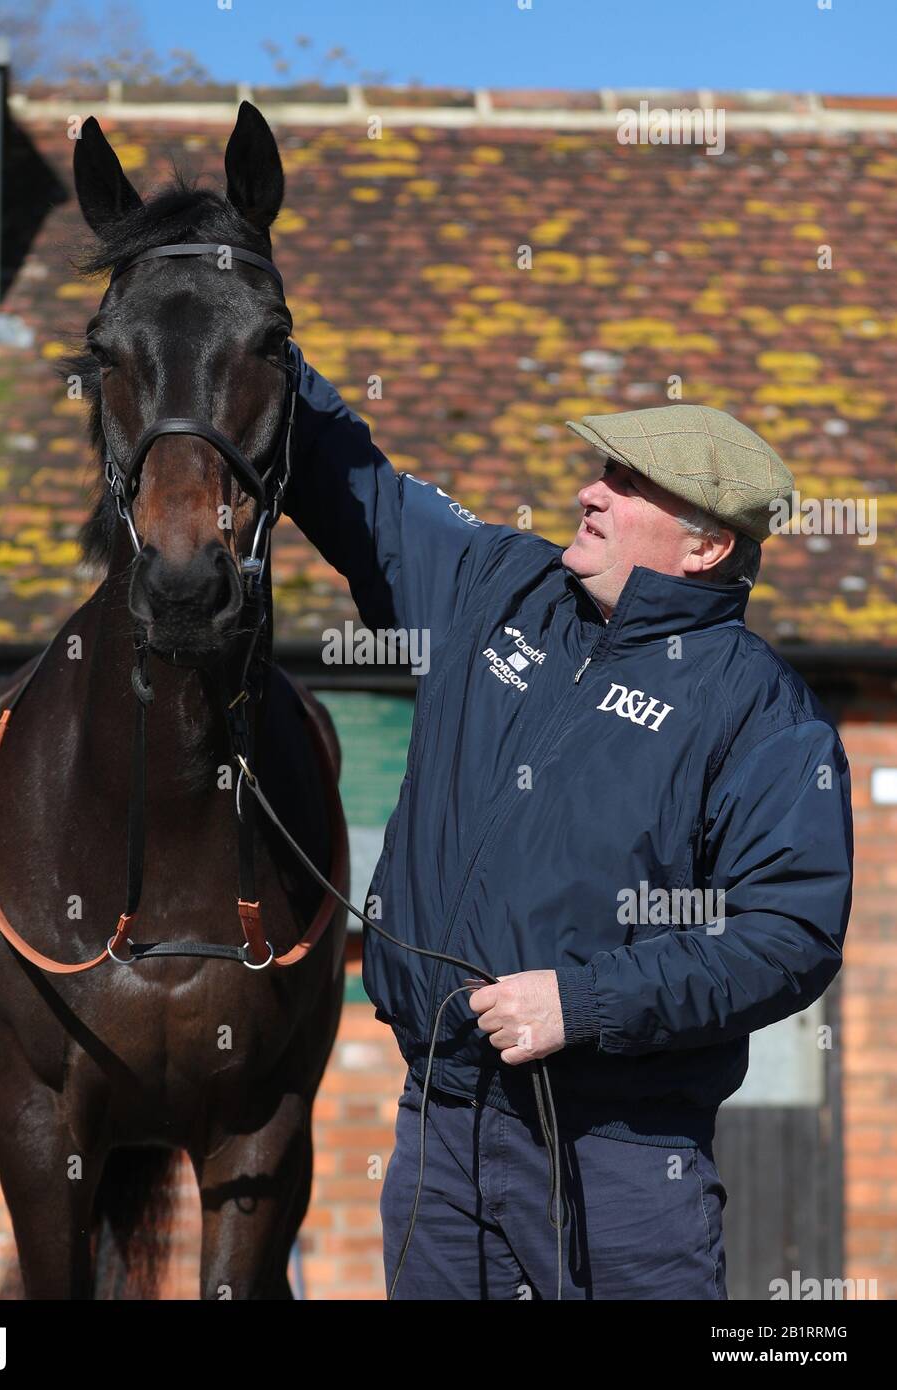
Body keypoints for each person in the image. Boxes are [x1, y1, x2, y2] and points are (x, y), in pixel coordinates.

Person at [281, 347, 854, 1301]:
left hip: (621, 1163)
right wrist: (251, 316)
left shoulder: (760, 713)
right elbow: (362, 492)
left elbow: (787, 937)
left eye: (629, 485)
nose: (591, 492)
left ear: (704, 546)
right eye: (602, 470)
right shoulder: (495, 587)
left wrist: (579, 1004)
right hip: (441, 1125)